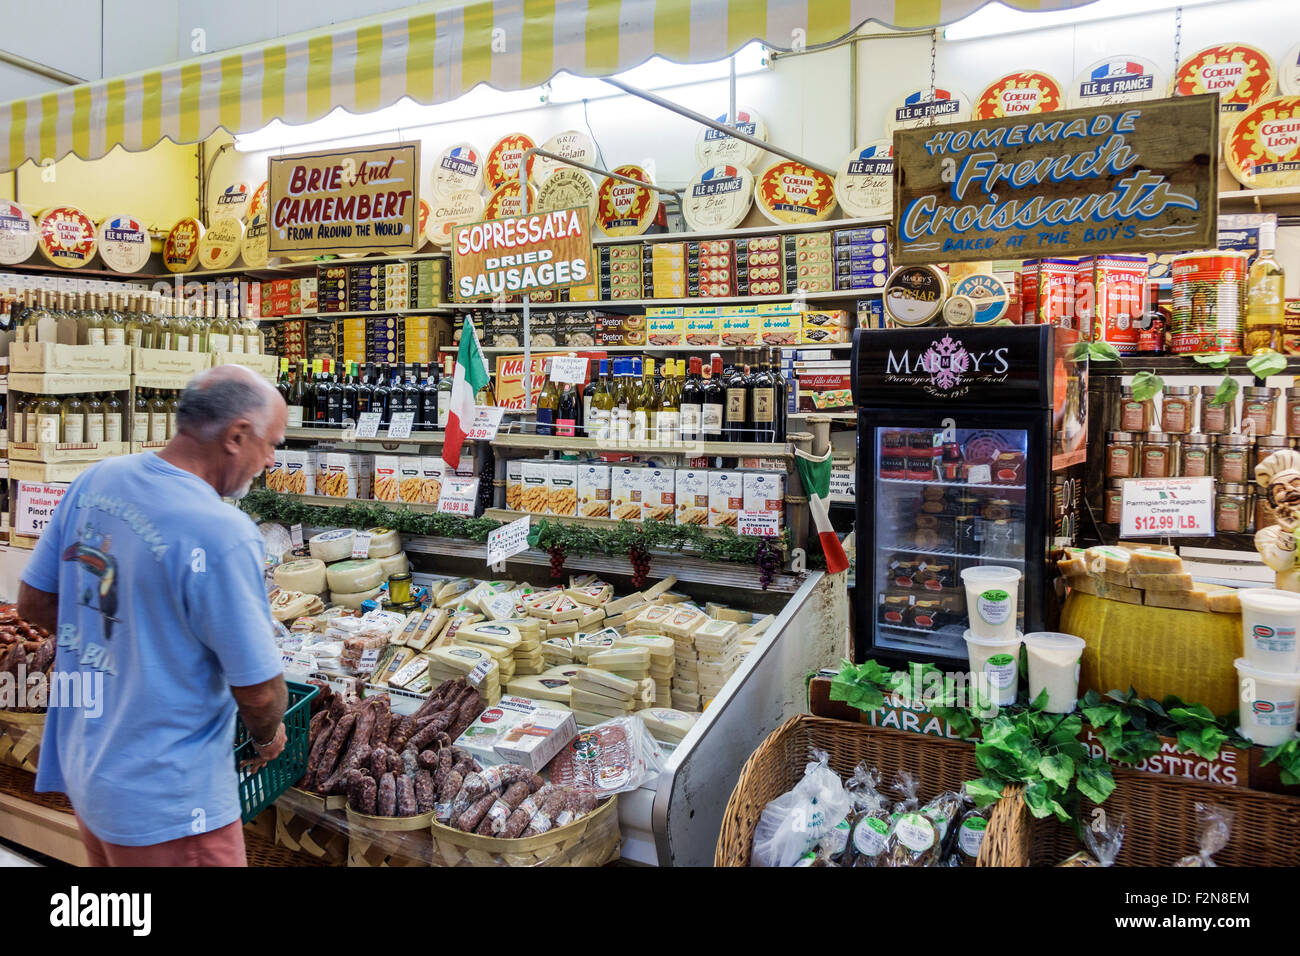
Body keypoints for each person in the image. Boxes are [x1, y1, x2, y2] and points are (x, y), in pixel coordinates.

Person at [18, 364, 289, 866]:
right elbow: (259, 689)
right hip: (172, 801)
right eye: (271, 443)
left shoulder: (98, 479)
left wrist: (119, 648)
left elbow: (34, 603)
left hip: (89, 770)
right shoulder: (222, 531)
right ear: (236, 436)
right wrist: (269, 734)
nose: (270, 459)